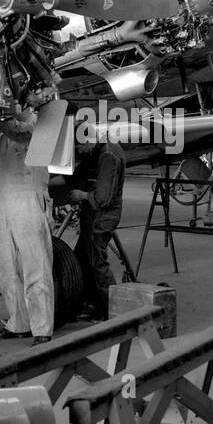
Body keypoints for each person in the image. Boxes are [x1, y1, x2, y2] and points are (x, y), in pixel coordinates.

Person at [0, 110, 54, 345]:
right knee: (9, 268)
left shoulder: (37, 125)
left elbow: (15, 130)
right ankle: (19, 324)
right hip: (6, 200)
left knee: (35, 267)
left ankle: (42, 329)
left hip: (30, 198)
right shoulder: (1, 139)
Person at [68, 130, 126, 322]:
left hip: (101, 218)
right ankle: (90, 303)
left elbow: (102, 198)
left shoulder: (108, 155)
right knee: (82, 259)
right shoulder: (99, 150)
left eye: (79, 148)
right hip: (93, 216)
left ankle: (109, 310)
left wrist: (81, 195)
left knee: (97, 263)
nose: (79, 152)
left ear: (88, 141)